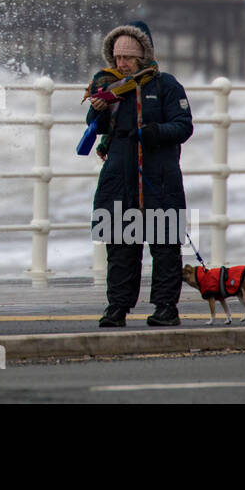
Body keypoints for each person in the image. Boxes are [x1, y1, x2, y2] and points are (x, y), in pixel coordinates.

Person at [86, 20, 193, 327]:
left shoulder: (166, 85)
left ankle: (165, 309)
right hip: (119, 178)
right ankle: (117, 309)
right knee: (119, 247)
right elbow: (96, 127)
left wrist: (152, 132)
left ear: (144, 55)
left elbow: (184, 126)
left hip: (158, 179)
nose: (122, 63)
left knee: (165, 247)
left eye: (129, 58)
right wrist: (97, 109)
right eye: (118, 57)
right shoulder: (108, 86)